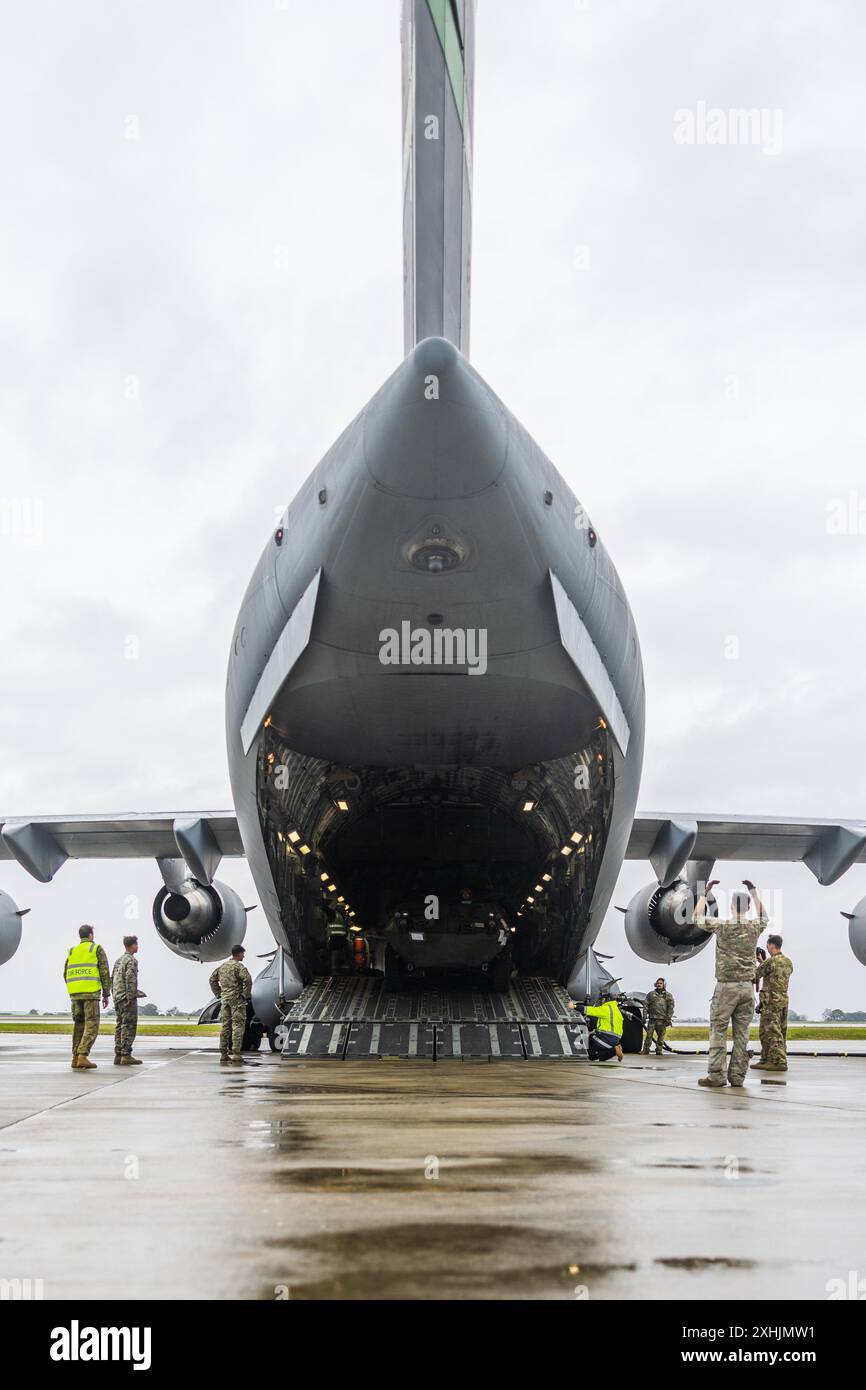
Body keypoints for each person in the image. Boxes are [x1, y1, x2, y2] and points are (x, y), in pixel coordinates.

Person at [695, 879, 766, 1088]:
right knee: (742, 1034)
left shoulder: (722, 925)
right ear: (749, 907)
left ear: (731, 906)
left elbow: (696, 917)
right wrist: (753, 890)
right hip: (747, 987)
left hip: (726, 986)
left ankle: (717, 1076)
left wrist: (705, 893)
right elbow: (764, 916)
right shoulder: (755, 926)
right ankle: (737, 1077)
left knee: (718, 1030)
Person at [64, 924, 110, 1070]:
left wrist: (73, 988)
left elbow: (65, 973)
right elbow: (104, 971)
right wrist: (106, 993)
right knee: (92, 1024)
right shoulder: (96, 948)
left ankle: (75, 1058)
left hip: (75, 994)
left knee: (78, 1025)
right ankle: (83, 1055)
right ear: (91, 935)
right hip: (90, 993)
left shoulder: (72, 951)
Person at [753, 934, 793, 1073]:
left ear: (771, 945)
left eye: (767, 945)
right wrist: (763, 961)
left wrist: (757, 962)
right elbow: (773, 974)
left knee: (771, 1031)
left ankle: (779, 1061)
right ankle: (767, 1059)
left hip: (771, 1001)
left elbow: (755, 975)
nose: (767, 948)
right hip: (783, 1001)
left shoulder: (771, 962)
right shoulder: (787, 962)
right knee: (779, 1031)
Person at [209, 945, 252, 1064]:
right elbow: (247, 980)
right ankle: (236, 1053)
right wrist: (246, 995)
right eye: (243, 954)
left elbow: (212, 980)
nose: (243, 956)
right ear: (238, 954)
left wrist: (219, 994)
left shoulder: (222, 967)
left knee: (225, 1026)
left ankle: (223, 1053)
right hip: (237, 1000)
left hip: (225, 1000)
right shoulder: (238, 967)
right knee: (238, 1026)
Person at [111, 935, 146, 1066]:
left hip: (117, 996)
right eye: (136, 944)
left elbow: (112, 978)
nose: (137, 946)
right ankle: (126, 1055)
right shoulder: (131, 960)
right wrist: (130, 997)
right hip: (126, 998)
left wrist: (114, 995)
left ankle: (118, 1054)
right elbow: (131, 979)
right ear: (132, 945)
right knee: (129, 1026)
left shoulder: (119, 960)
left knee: (119, 1025)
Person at [584, 990, 625, 1061]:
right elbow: (608, 1025)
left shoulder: (606, 1008)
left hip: (608, 1037)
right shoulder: (615, 1009)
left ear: (607, 1000)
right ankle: (615, 1049)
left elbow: (591, 1010)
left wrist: (575, 1006)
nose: (602, 1002)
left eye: (603, 1000)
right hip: (615, 1037)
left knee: (591, 1056)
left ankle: (614, 1050)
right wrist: (595, 1031)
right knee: (602, 1057)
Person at [642, 977, 675, 1055]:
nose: (659, 984)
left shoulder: (668, 995)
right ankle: (645, 1050)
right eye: (658, 983)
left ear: (664, 985)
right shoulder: (651, 994)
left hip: (662, 1020)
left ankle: (659, 1050)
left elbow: (671, 1007)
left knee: (661, 1037)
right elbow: (645, 1005)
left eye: (660, 983)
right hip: (652, 1019)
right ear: (655, 984)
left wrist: (668, 1018)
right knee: (649, 1036)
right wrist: (644, 1016)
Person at [754, 946, 768, 1062]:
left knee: (767, 1034)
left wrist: (760, 961)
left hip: (769, 1003)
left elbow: (756, 976)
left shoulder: (770, 965)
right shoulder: (784, 962)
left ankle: (767, 1059)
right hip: (770, 1002)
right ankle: (773, 1059)